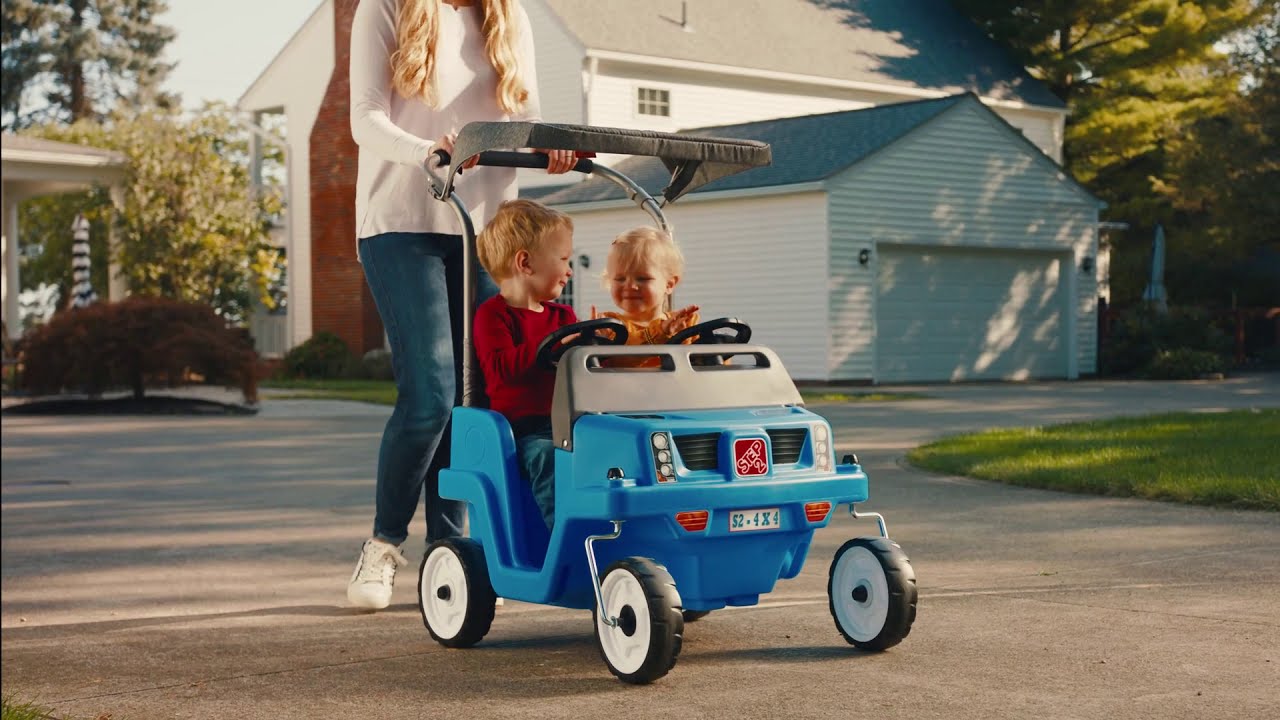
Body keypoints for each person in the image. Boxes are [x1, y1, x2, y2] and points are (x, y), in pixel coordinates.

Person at [346, 0, 575, 611]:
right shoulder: (387, 8)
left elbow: (524, 120)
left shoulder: (509, 17)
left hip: (484, 231)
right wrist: (428, 150)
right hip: (402, 222)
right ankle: (384, 543)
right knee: (430, 394)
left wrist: (548, 149)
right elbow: (364, 120)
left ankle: (449, 553)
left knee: (469, 399)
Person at [473, 199, 577, 530]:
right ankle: (564, 545)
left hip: (572, 424)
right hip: (523, 431)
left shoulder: (564, 317)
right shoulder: (493, 315)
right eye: (563, 259)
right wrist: (552, 346)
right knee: (548, 457)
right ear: (525, 263)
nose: (569, 270)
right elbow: (501, 368)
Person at [592, 227, 700, 367]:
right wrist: (596, 342)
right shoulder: (610, 327)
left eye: (642, 278)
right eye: (620, 279)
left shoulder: (684, 325)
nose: (630, 286)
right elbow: (613, 364)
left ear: (669, 284)